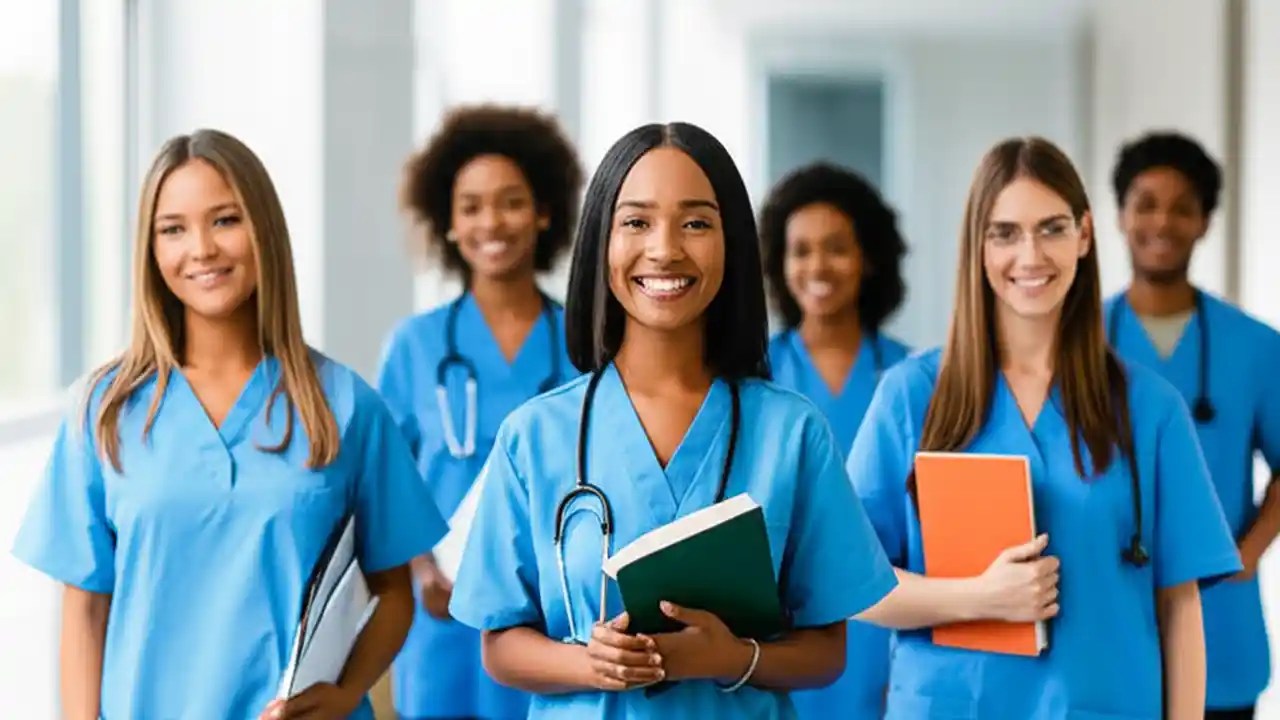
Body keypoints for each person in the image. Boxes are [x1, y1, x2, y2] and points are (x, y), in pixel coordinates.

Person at [445, 121, 899, 719]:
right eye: (636, 222)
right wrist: (594, 665)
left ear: (731, 242)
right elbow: (500, 645)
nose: (664, 248)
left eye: (695, 223)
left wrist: (730, 657)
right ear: (601, 243)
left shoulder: (792, 433)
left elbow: (826, 651)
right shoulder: (534, 436)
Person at [10, 129, 446, 720]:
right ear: (151, 248)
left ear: (263, 228)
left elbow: (392, 591)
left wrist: (346, 695)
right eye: (173, 229)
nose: (202, 249)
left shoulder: (343, 404)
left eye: (225, 220)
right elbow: (85, 610)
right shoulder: (104, 411)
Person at [851, 136, 1241, 719]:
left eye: (1052, 228)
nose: (1030, 256)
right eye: (1005, 232)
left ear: (1084, 235)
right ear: (978, 249)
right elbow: (856, 580)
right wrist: (978, 597)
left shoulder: (1150, 408)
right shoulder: (911, 396)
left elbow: (1180, 607)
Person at [379, 104, 584, 720]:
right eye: (470, 206)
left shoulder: (583, 347)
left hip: (549, 614)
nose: (491, 222)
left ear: (544, 211)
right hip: (441, 614)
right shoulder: (415, 347)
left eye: (511, 202)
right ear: (448, 223)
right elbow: (387, 485)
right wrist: (420, 572)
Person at [1104, 131, 1280, 719]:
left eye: (1183, 207)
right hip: (1105, 616)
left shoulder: (1255, 347)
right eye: (1146, 203)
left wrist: (1248, 552)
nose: (1163, 221)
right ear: (1120, 215)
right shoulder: (1077, 345)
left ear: (1205, 221)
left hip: (1219, 620)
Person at [759, 162, 910, 718]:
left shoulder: (913, 379)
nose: (817, 266)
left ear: (869, 258)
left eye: (836, 247)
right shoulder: (750, 379)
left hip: (885, 626)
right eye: (800, 250)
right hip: (781, 628)